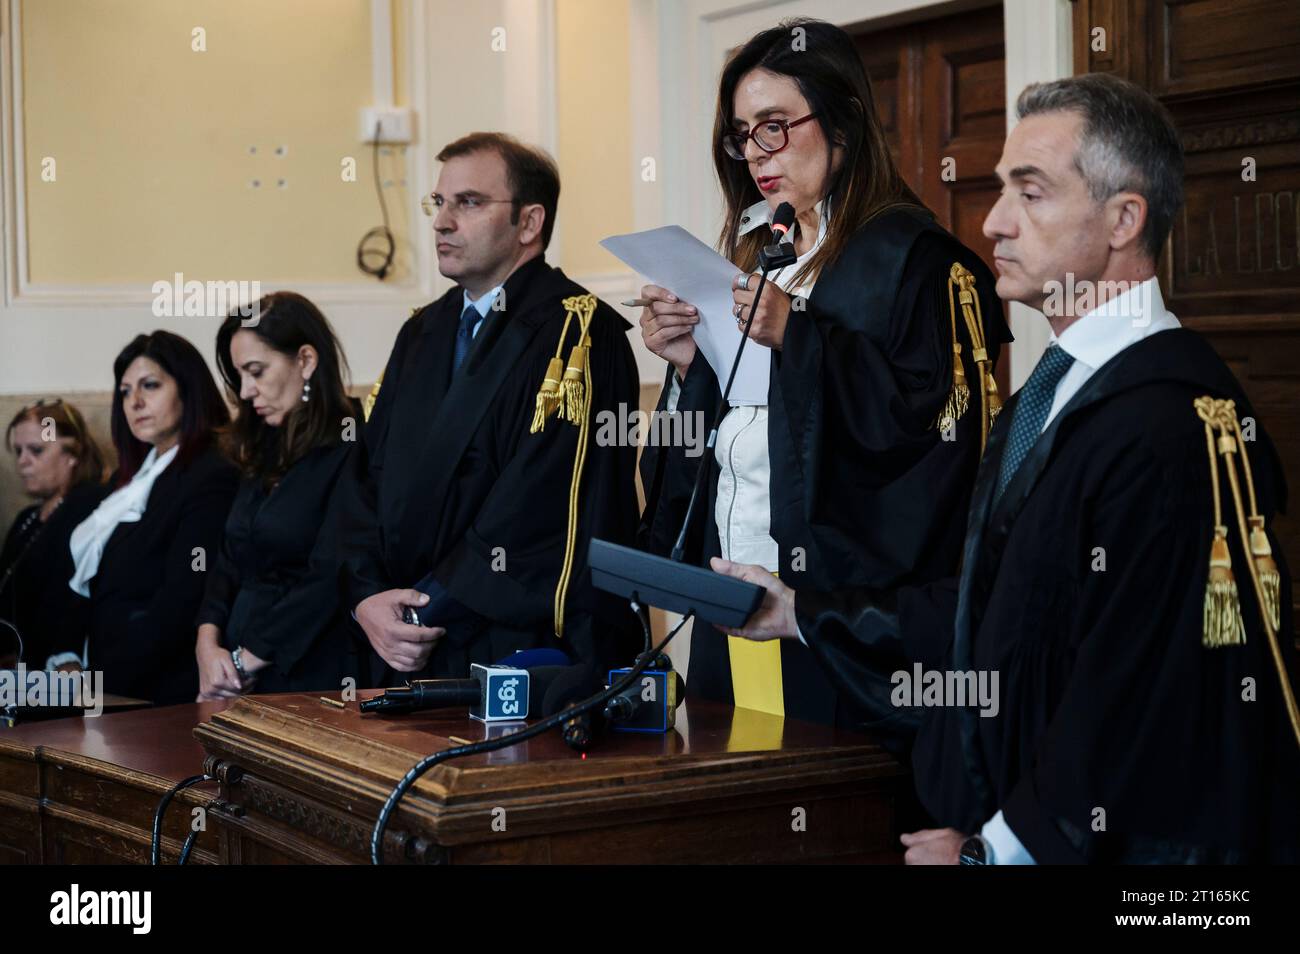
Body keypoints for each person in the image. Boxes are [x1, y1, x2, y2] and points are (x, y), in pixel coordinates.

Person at [715, 73, 1300, 863]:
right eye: (1000, 192)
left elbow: (1143, 694)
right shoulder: (1049, 393)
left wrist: (997, 849)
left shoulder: (1166, 420)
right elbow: (992, 604)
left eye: (1031, 194)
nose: (992, 222)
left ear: (1124, 219)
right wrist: (798, 611)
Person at [637, 18, 1009, 732]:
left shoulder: (921, 264)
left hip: (836, 626)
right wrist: (694, 366)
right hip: (730, 598)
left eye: (775, 126)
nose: (756, 153)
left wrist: (799, 338)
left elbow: (938, 450)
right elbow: (738, 431)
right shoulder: (761, 254)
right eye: (742, 133)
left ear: (841, 119)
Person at [336, 132, 642, 683]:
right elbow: (363, 480)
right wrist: (368, 598)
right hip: (398, 644)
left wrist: (418, 608)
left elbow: (536, 508)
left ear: (529, 223)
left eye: (469, 202)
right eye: (439, 202)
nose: (442, 221)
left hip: (504, 647)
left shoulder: (576, 332)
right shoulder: (421, 332)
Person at [195, 293, 365, 699]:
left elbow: (331, 573)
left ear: (305, 360)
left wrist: (244, 662)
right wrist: (207, 643)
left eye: (256, 371)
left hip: (309, 673)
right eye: (239, 376)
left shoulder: (354, 442)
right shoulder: (266, 446)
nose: (247, 391)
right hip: (230, 671)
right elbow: (229, 559)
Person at [65, 331, 238, 705]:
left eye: (150, 385)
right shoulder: (128, 478)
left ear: (188, 389)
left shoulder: (211, 474)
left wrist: (97, 685)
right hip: (100, 682)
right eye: (125, 392)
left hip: (153, 693)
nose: (135, 402)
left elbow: (184, 598)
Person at [0, 400, 109, 669]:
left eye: (36, 450)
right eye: (18, 451)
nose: (23, 461)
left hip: (57, 669)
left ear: (72, 454)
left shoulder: (90, 506)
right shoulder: (26, 519)